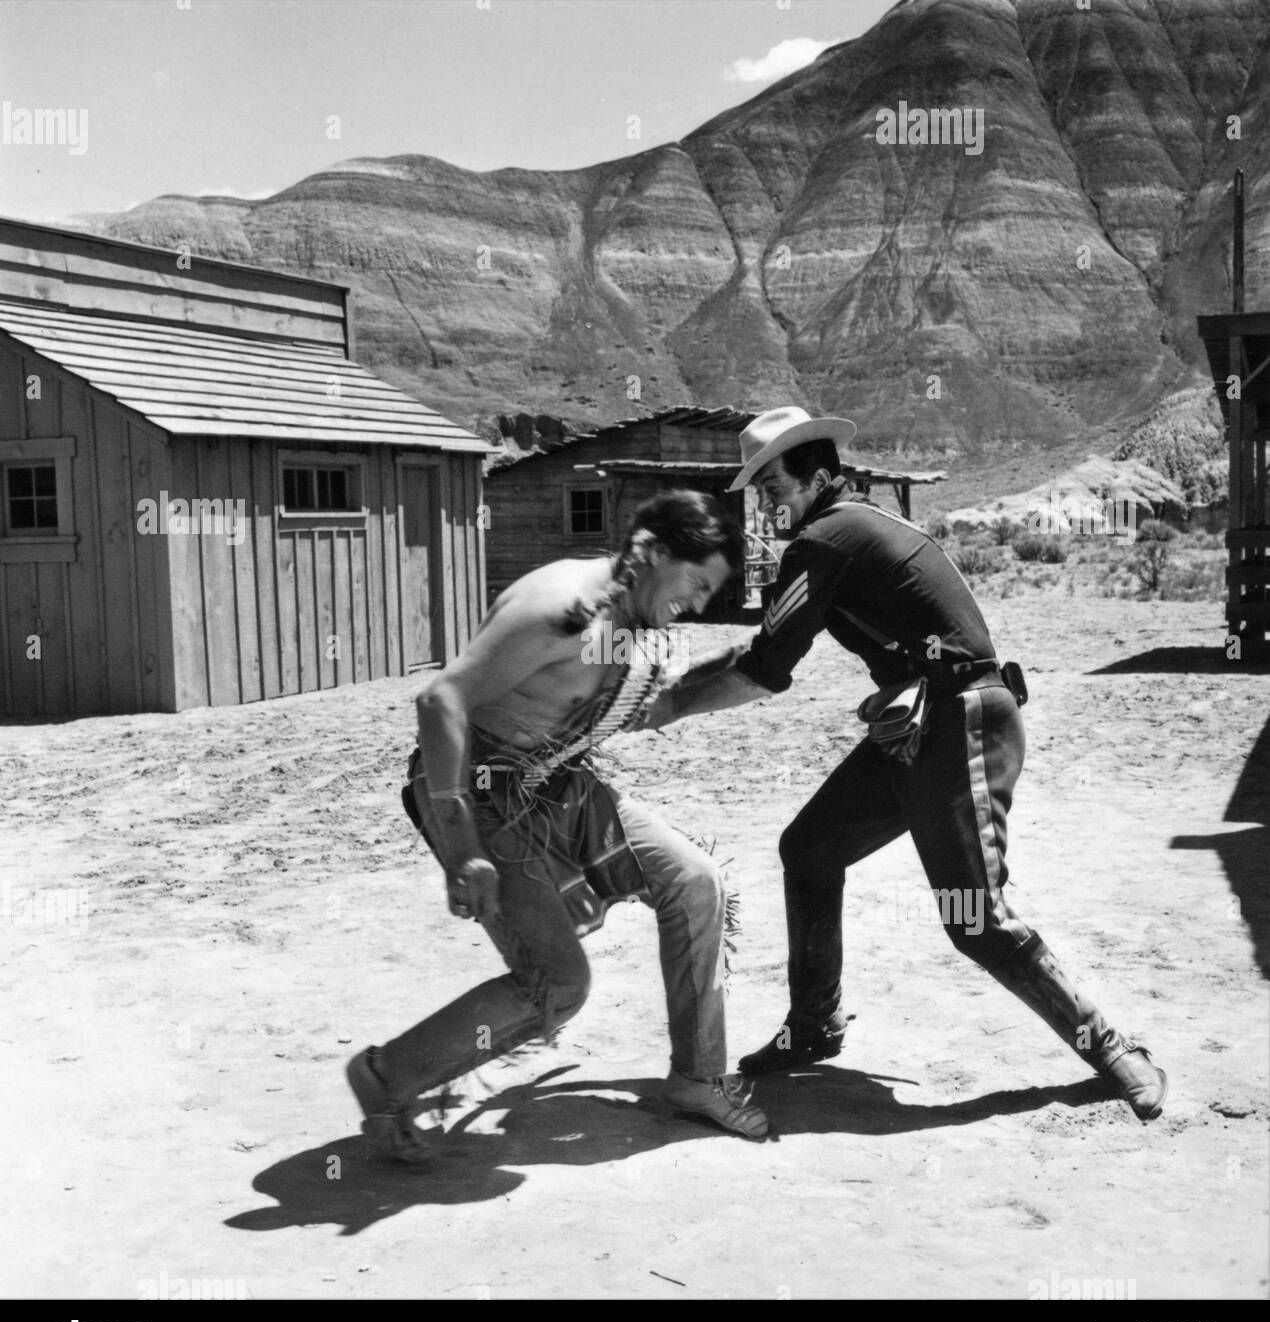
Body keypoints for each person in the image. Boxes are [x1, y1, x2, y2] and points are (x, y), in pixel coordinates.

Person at [645, 407, 1168, 1121]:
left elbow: (765, 670)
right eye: (759, 490)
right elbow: (759, 653)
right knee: (811, 847)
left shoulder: (824, 540)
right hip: (918, 724)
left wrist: (669, 705)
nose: (766, 504)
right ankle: (814, 1028)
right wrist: (671, 693)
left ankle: (1112, 1048)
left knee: (975, 919)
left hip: (962, 722)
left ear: (820, 476)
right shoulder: (850, 527)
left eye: (774, 486)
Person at [346, 490, 770, 1162]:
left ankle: (697, 1077)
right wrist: (463, 850)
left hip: (558, 782)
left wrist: (751, 671)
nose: (695, 603)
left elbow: (646, 710)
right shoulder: (559, 610)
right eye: (695, 582)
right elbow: (442, 698)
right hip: (479, 796)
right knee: (559, 985)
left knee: (695, 881)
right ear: (655, 552)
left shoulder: (631, 624)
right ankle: (385, 1075)